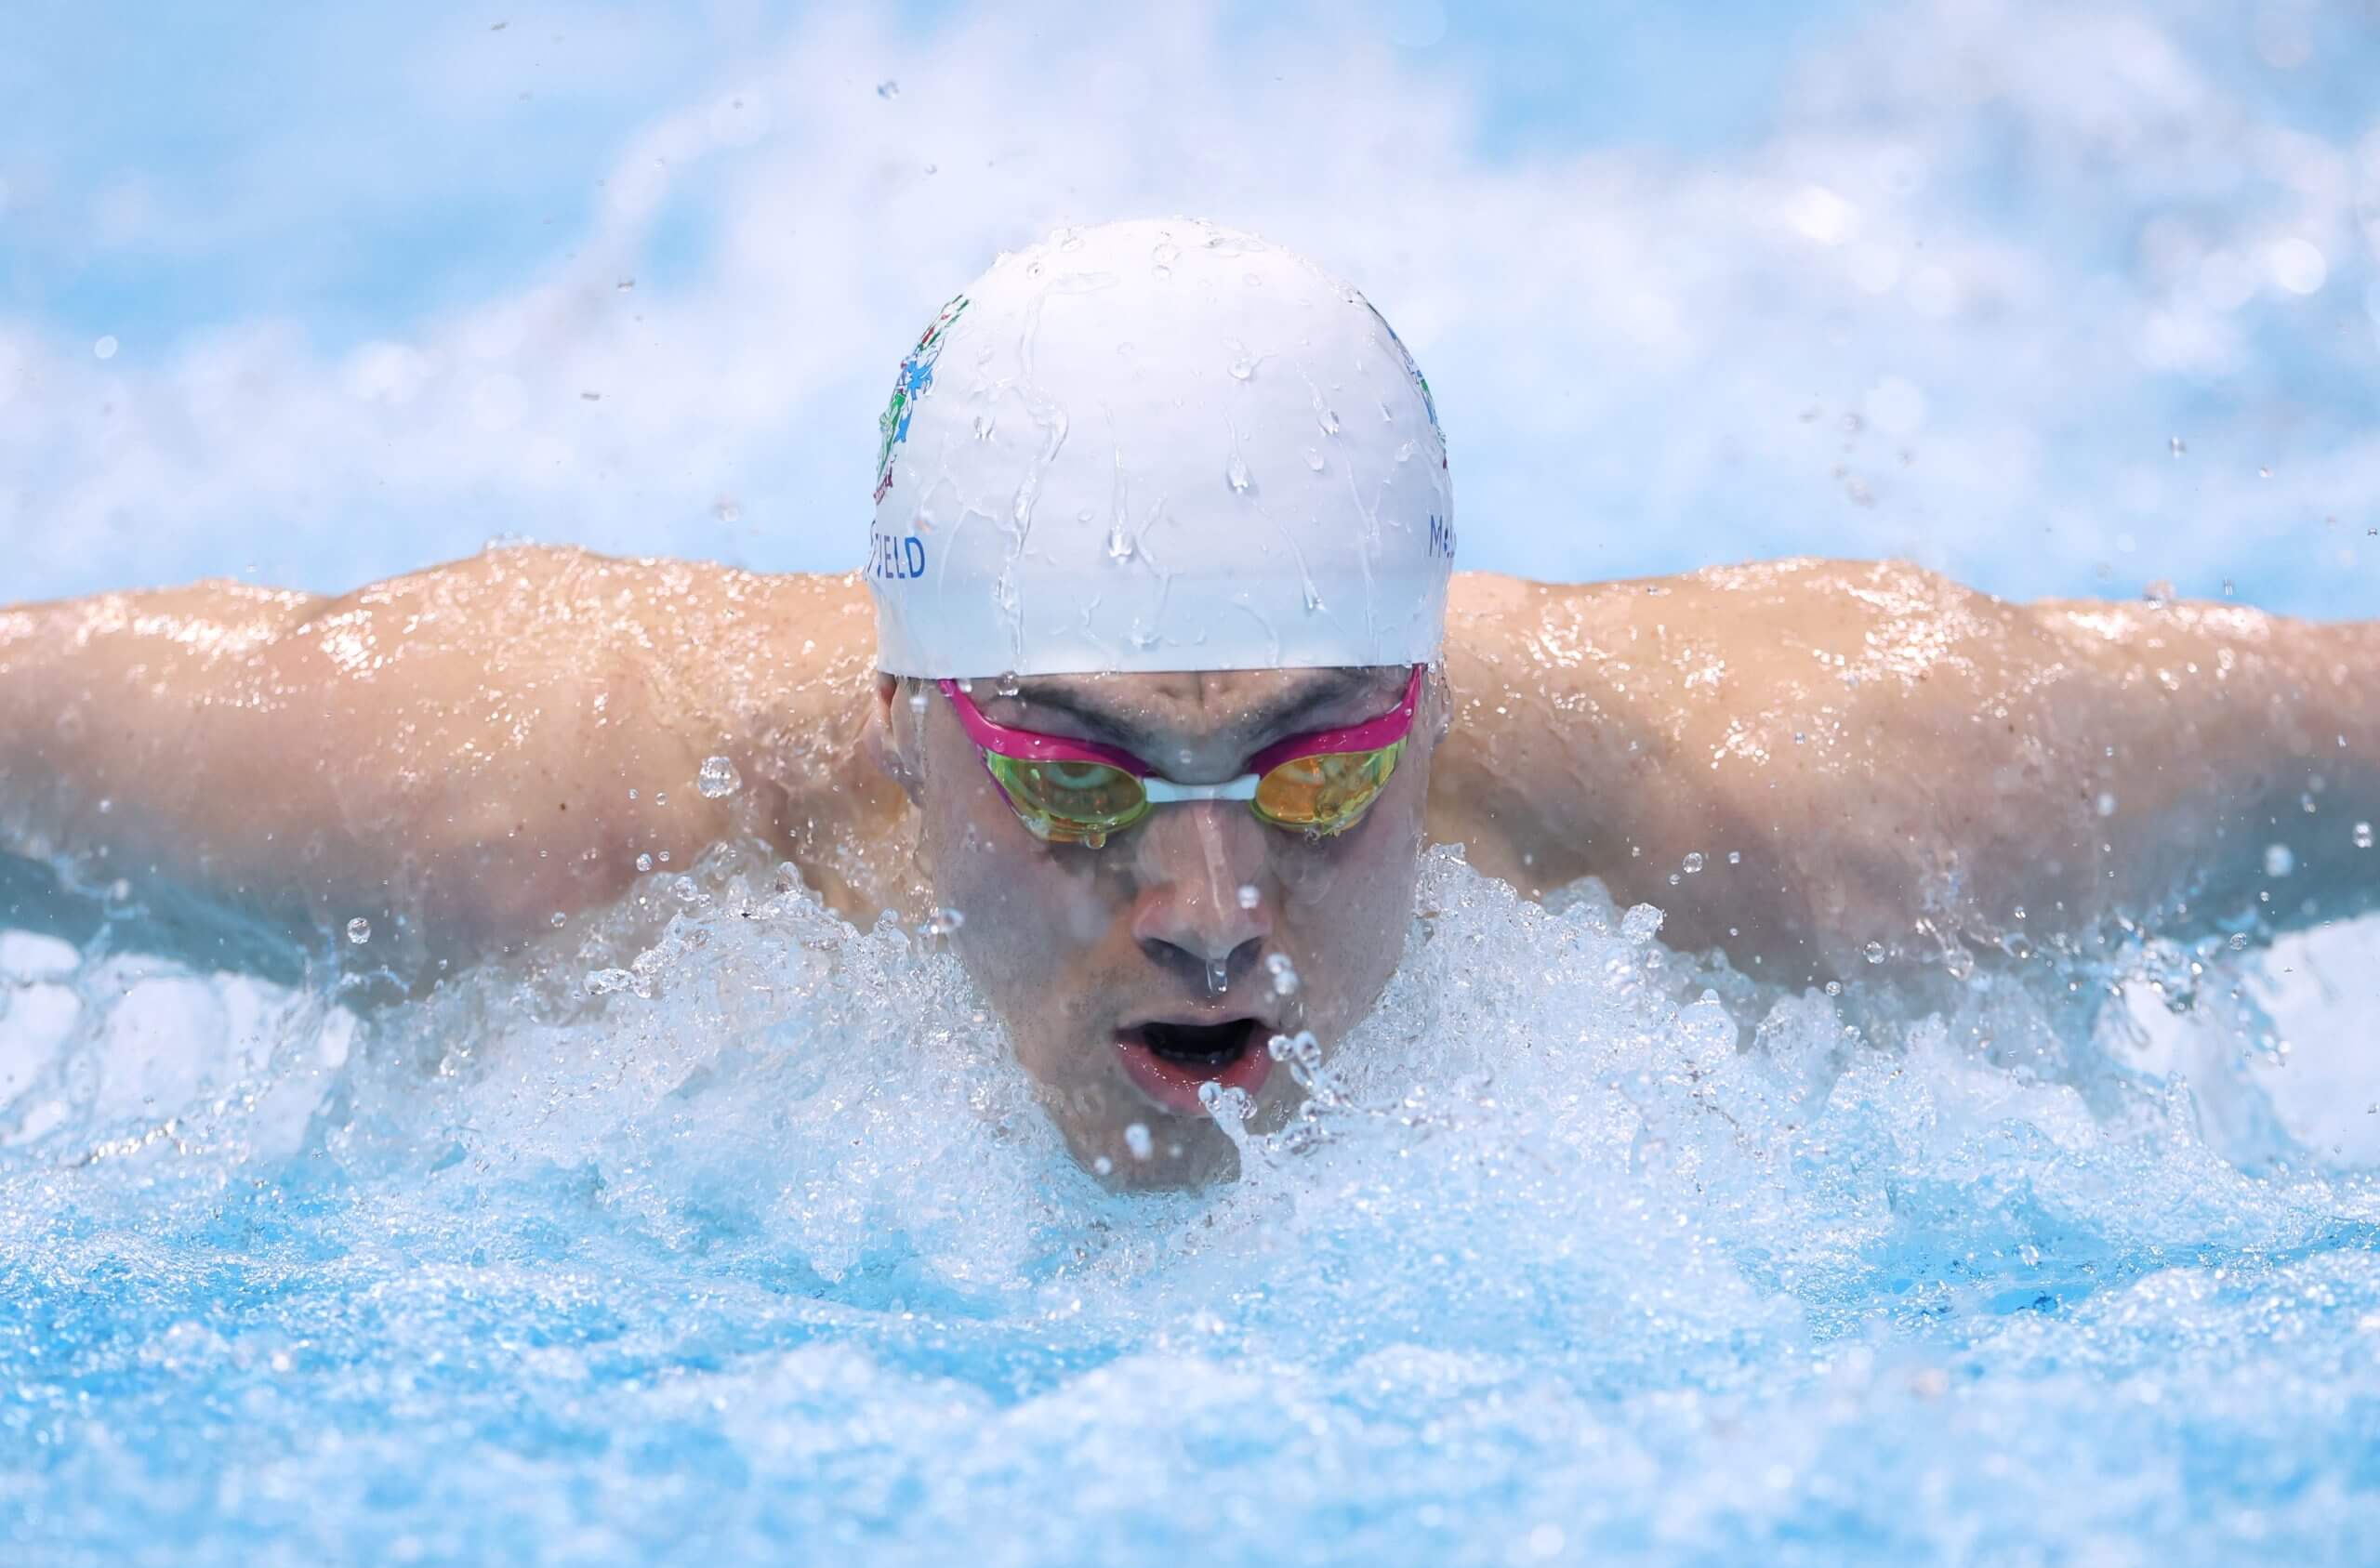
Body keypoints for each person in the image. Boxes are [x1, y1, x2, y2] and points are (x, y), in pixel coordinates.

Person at [2, 218, 2374, 1184]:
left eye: (1327, 758)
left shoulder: (1843, 786)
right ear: (905, 707)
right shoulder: (491, 790)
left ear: (1432, 704)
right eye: (1072, 774)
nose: (1213, 905)